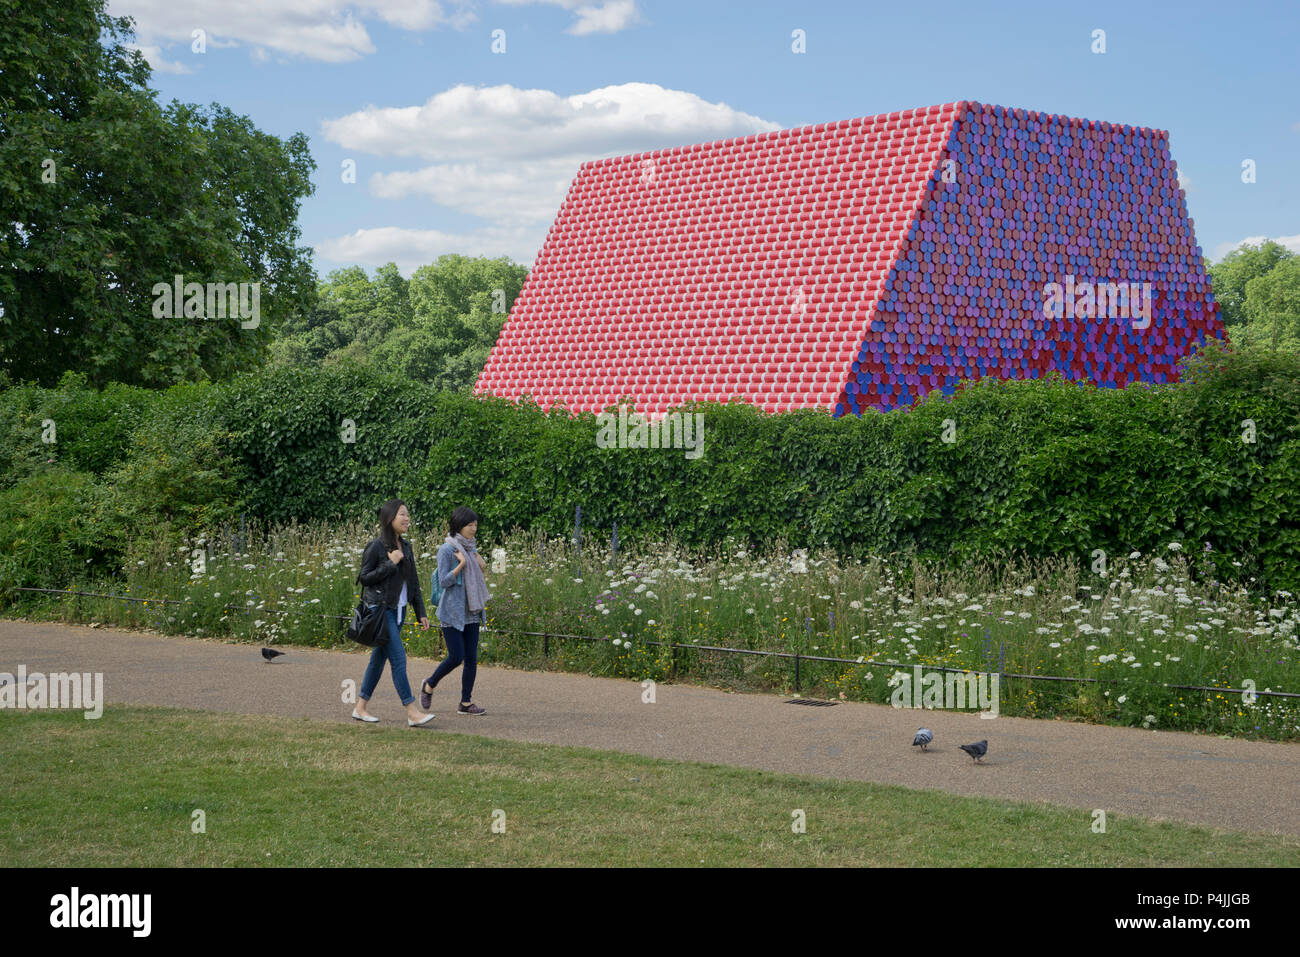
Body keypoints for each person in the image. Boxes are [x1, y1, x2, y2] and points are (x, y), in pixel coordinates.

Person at [352, 499, 435, 726]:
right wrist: (390, 563)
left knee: (378, 661)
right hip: (380, 611)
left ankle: (360, 707)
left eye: (408, 515)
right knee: (399, 660)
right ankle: (412, 711)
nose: (407, 519)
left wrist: (421, 612)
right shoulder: (377, 546)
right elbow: (364, 578)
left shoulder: (406, 547)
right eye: (402, 514)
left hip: (399, 611)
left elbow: (413, 582)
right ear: (390, 518)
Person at [420, 506, 489, 716]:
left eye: (476, 524)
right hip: (452, 611)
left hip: (472, 610)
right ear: (459, 526)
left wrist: (478, 561)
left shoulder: (471, 548)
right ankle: (429, 684)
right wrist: (460, 565)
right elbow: (444, 581)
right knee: (455, 657)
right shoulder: (446, 550)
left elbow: (480, 570)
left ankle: (465, 703)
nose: (474, 529)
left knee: (471, 658)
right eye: (470, 525)